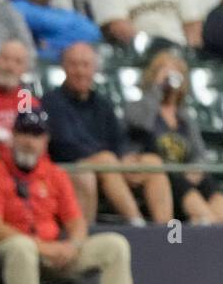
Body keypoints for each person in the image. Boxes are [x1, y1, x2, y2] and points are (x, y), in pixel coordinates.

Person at [0, 110, 136, 284]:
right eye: (24, 134)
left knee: (114, 245)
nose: (29, 142)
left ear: (45, 140)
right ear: (13, 136)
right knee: (20, 246)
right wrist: (43, 247)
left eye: (36, 135)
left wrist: (73, 245)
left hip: (50, 257)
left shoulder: (54, 174)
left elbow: (75, 221)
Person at [41, 42, 171, 225]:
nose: (80, 71)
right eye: (74, 64)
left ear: (94, 68)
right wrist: (109, 157)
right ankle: (137, 224)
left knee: (152, 162)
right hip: (71, 168)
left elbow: (118, 139)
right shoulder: (51, 102)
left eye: (85, 65)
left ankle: (165, 230)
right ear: (63, 67)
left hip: (111, 167)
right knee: (106, 160)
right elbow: (63, 146)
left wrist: (125, 157)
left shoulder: (103, 103)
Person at [125, 50, 223, 224]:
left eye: (175, 73)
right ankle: (203, 226)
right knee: (201, 211)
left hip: (186, 174)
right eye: (164, 71)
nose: (170, 77)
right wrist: (157, 91)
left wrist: (196, 168)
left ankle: (214, 225)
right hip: (160, 175)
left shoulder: (185, 118)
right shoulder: (138, 107)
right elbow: (141, 125)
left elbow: (200, 153)